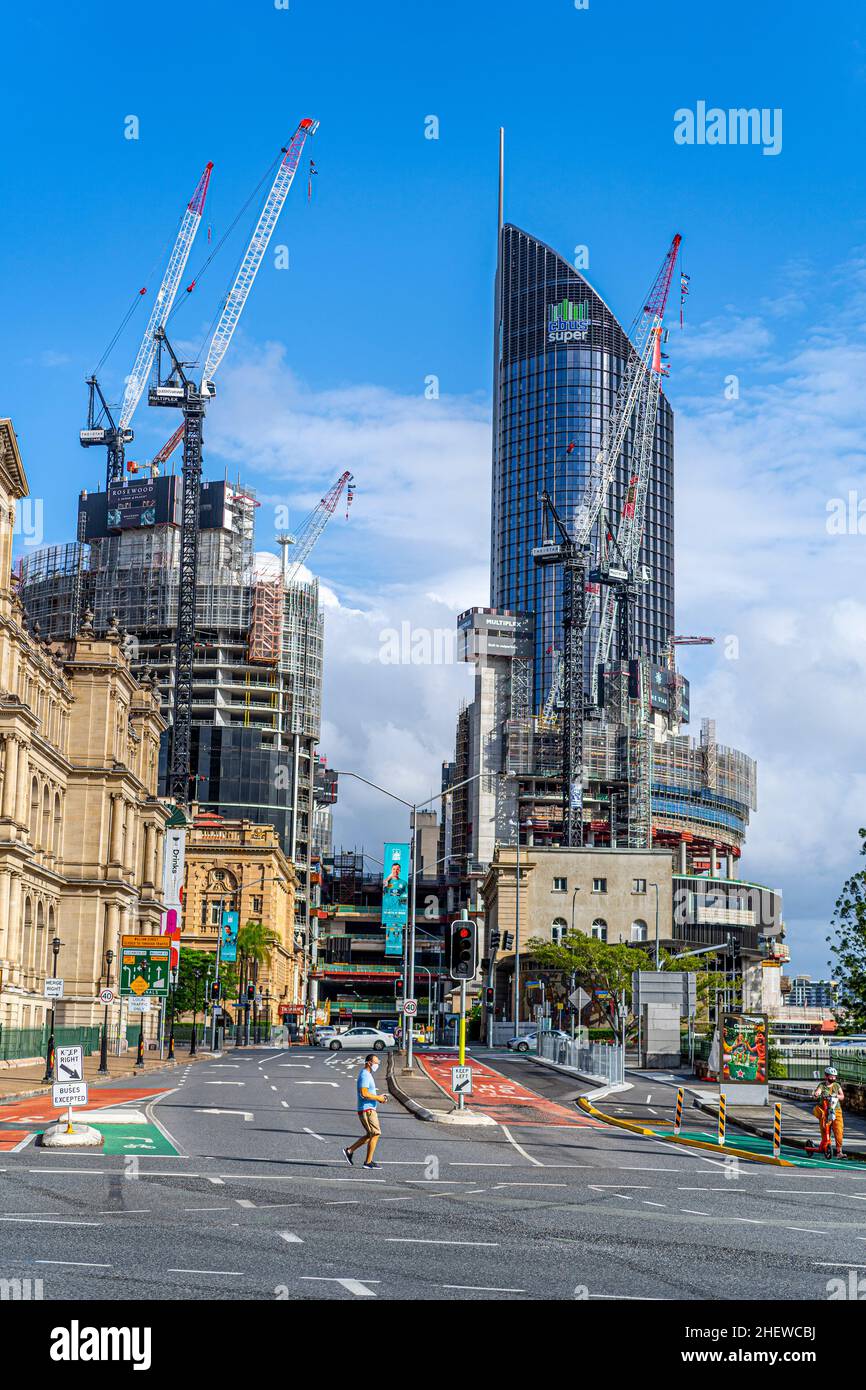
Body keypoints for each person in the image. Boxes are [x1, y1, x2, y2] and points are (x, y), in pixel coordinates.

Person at [343, 1053, 388, 1170]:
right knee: (376, 1133)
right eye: (376, 1062)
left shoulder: (367, 1074)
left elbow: (368, 1093)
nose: (377, 1065)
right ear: (369, 1063)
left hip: (367, 1109)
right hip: (367, 1109)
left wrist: (379, 1097)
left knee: (370, 1135)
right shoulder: (365, 1075)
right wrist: (378, 1098)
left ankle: (349, 1150)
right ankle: (368, 1162)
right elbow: (364, 1093)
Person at [812, 1066, 845, 1157]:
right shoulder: (822, 1085)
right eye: (831, 1076)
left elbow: (842, 1096)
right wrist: (817, 1094)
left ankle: (839, 1152)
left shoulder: (836, 1085)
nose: (833, 1078)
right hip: (825, 1111)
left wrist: (836, 1096)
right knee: (824, 1130)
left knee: (838, 1130)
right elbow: (818, 1092)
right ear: (826, 1076)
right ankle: (826, 1146)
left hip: (836, 1110)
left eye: (834, 1076)